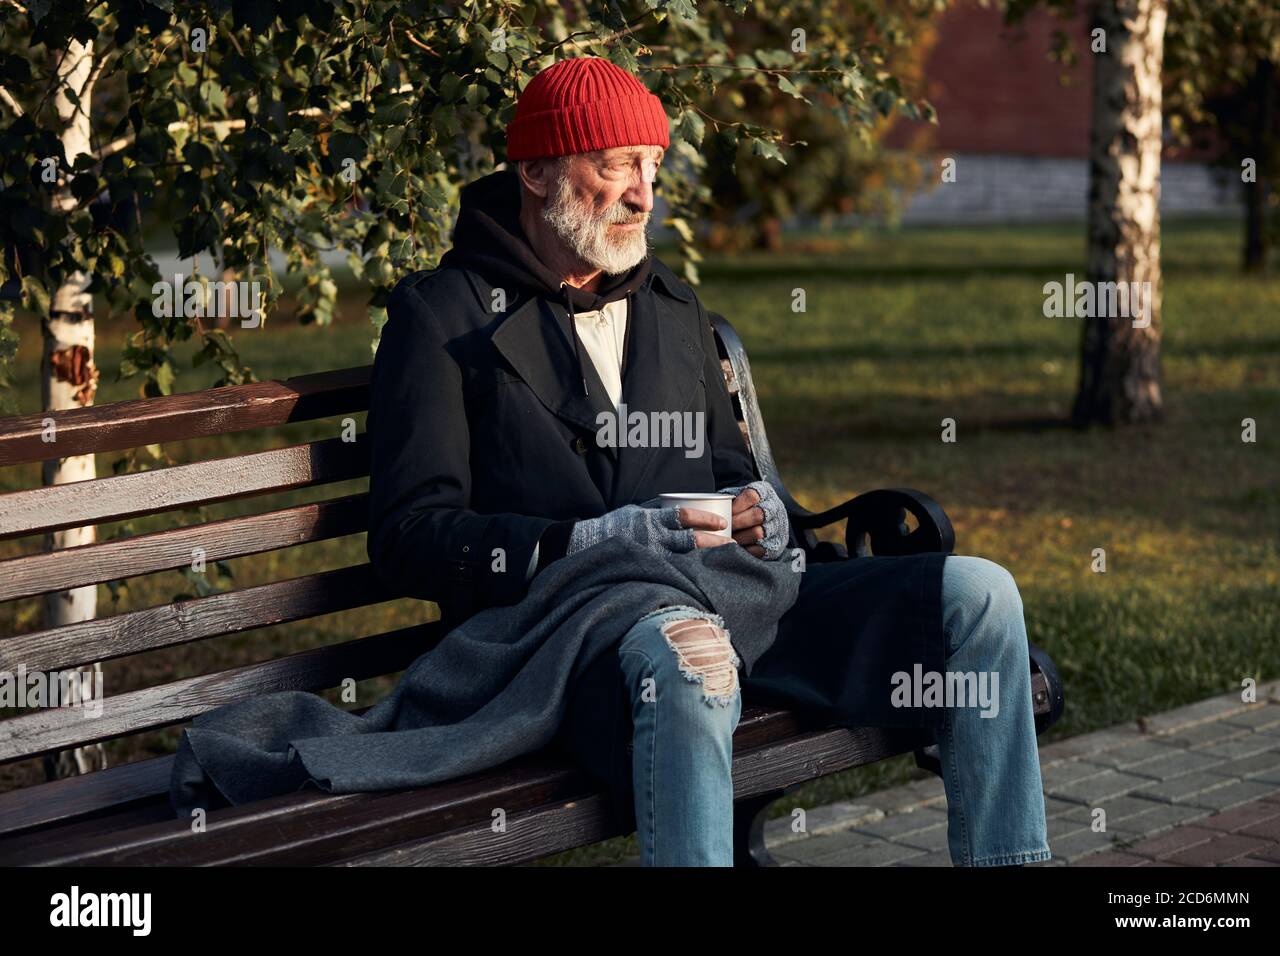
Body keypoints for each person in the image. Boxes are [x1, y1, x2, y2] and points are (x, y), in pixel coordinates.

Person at [369, 55, 1051, 867]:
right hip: (566, 643)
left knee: (980, 595)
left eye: (652, 166)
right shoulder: (440, 317)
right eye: (617, 164)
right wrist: (583, 542)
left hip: (736, 600)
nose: (643, 195)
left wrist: (755, 512)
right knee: (689, 653)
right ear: (537, 170)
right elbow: (410, 533)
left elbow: (730, 474)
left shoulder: (673, 305)